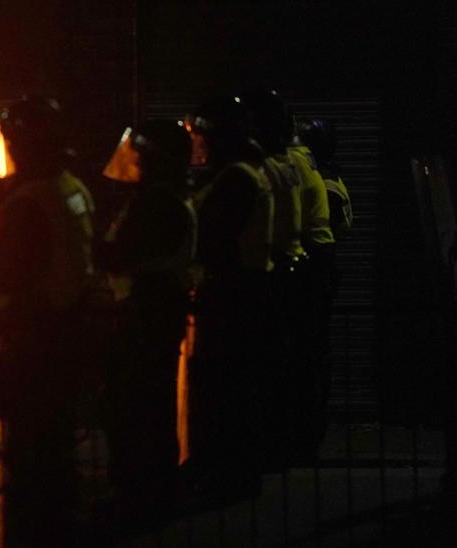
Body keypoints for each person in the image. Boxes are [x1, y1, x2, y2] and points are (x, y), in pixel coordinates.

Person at [0, 96, 94, 547]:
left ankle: (37, 532)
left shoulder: (32, 199)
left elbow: (16, 268)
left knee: (32, 452)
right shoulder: (70, 187)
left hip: (38, 336)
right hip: (68, 327)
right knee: (54, 447)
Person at [96, 120, 195, 526]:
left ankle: (142, 496)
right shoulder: (162, 198)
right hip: (154, 308)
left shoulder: (157, 203)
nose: (131, 159)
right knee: (145, 406)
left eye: (139, 153)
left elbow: (120, 255)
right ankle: (151, 493)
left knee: (138, 408)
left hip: (148, 311)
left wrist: (89, 245)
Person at [185, 96, 274, 502]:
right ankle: (235, 473)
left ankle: (228, 475)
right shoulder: (244, 171)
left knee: (223, 386)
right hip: (244, 290)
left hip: (232, 292)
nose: (198, 143)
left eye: (202, 134)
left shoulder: (236, 177)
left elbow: (214, 236)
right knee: (235, 385)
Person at [243, 89, 311, 468]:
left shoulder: (263, 169)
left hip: (272, 272)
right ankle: (285, 442)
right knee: (285, 362)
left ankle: (267, 446)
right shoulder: (291, 164)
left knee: (264, 365)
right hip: (291, 268)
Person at [296, 118, 348, 457]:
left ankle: (308, 430)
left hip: (316, 269)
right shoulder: (332, 178)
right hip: (325, 268)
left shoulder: (324, 184)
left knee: (309, 351)